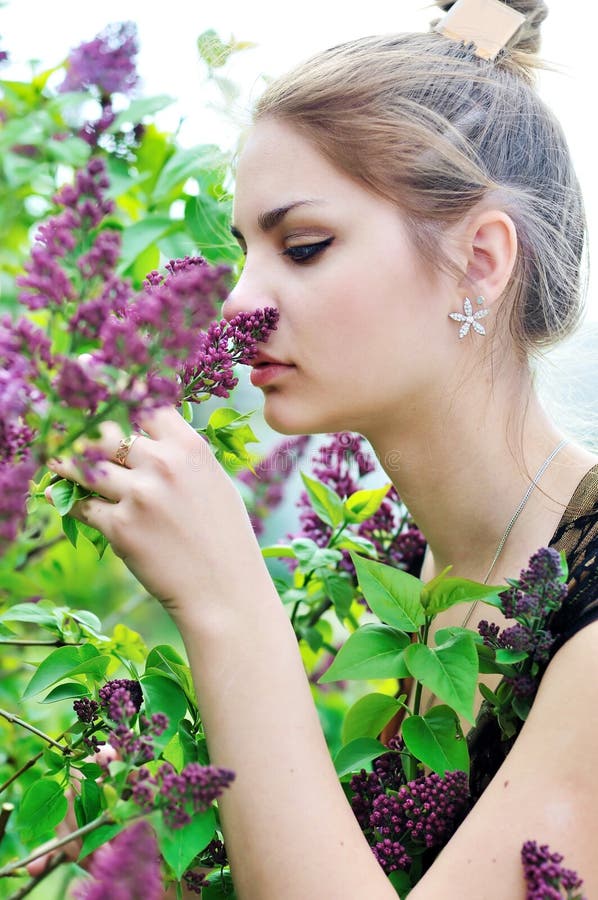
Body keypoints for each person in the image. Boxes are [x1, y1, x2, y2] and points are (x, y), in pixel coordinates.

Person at [46, 0, 598, 896]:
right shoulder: (409, 570)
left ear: (482, 262)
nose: (236, 304)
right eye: (244, 250)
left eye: (302, 246)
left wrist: (228, 599)